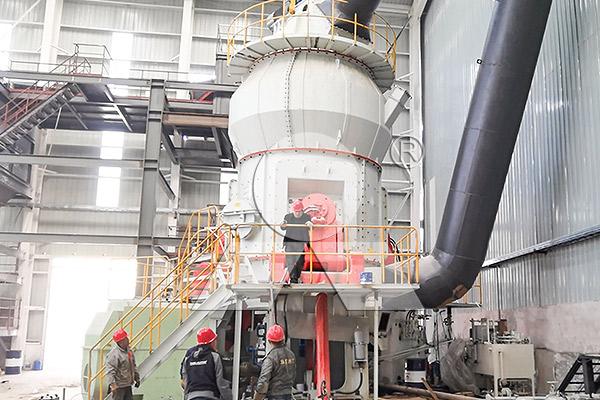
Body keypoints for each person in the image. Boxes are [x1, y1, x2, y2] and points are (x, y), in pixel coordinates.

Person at [180, 327, 232, 400]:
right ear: (212, 342)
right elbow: (221, 383)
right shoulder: (215, 357)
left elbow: (185, 381)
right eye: (215, 341)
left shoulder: (188, 359)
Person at [254, 324, 296, 400]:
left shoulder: (271, 358)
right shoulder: (291, 355)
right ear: (283, 338)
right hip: (288, 395)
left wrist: (257, 398)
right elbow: (293, 375)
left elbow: (263, 381)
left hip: (274, 397)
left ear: (269, 341)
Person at [281, 200, 313, 283]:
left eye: (299, 211)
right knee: (290, 261)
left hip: (300, 243)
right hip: (289, 243)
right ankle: (293, 278)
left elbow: (311, 226)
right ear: (293, 210)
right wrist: (283, 224)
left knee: (300, 261)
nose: (298, 213)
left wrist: (310, 224)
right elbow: (283, 227)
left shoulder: (306, 217)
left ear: (302, 210)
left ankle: (296, 276)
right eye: (296, 211)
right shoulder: (288, 217)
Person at [105, 328, 140, 400]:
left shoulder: (129, 351)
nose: (128, 339)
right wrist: (113, 385)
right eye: (126, 338)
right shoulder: (114, 354)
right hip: (119, 387)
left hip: (128, 385)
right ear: (121, 341)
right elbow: (110, 371)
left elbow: (133, 366)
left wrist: (137, 378)